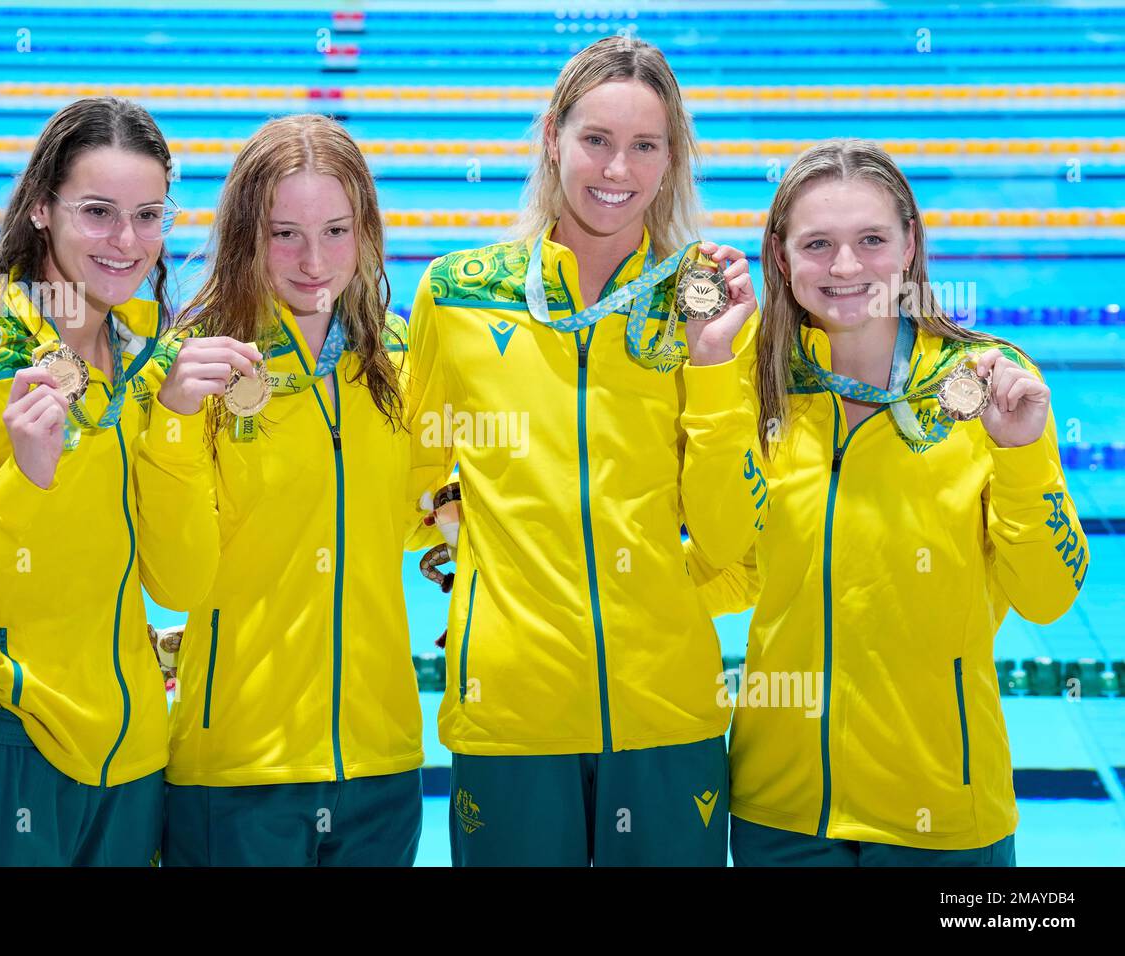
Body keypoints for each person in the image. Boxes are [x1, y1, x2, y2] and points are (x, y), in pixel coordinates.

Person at [407, 36, 765, 866]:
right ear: (551, 139)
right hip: (508, 710)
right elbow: (411, 476)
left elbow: (729, 538)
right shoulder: (459, 292)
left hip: (668, 711)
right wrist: (465, 563)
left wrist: (712, 368)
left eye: (645, 146)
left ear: (672, 160)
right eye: (596, 140)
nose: (618, 168)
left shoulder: (702, 309)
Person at [0, 96, 223, 866]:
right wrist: (20, 485)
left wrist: (179, 428)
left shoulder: (147, 368)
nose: (127, 242)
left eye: (149, 215)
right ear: (39, 210)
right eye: (97, 212)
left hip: (130, 771)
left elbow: (183, 580)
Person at [705, 138, 1089, 866]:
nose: (846, 268)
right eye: (818, 244)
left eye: (872, 240)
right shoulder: (752, 384)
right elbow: (737, 567)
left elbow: (1046, 596)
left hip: (944, 814)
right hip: (780, 814)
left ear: (911, 243)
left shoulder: (985, 385)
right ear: (781, 258)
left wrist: (1017, 456)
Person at [153, 114, 427, 866]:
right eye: (285, 235)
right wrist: (174, 422)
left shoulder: (396, 361)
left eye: (337, 231)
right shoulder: (192, 369)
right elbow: (173, 569)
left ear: (367, 231)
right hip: (239, 770)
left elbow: (411, 518)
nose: (315, 262)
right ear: (245, 234)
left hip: (380, 766)